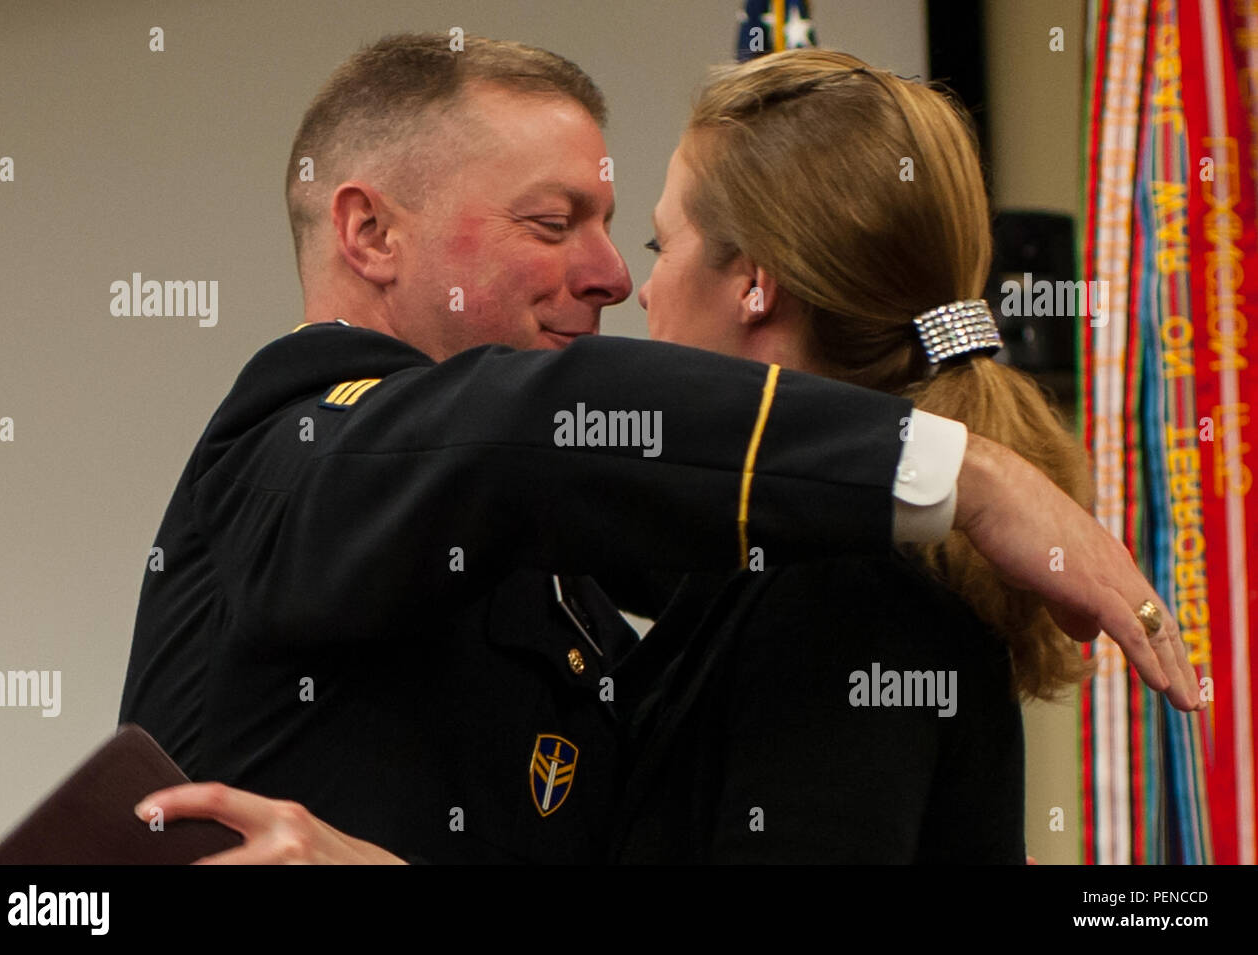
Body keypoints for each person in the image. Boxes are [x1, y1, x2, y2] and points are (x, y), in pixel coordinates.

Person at [123, 33, 1197, 865]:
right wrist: (965, 471)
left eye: (632, 232)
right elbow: (513, 430)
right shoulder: (298, 451)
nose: (612, 278)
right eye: (553, 224)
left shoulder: (810, 576)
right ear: (370, 233)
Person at [610, 49, 1098, 862]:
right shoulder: (813, 555)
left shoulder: (839, 589)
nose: (640, 288)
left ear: (753, 284)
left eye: (662, 246)